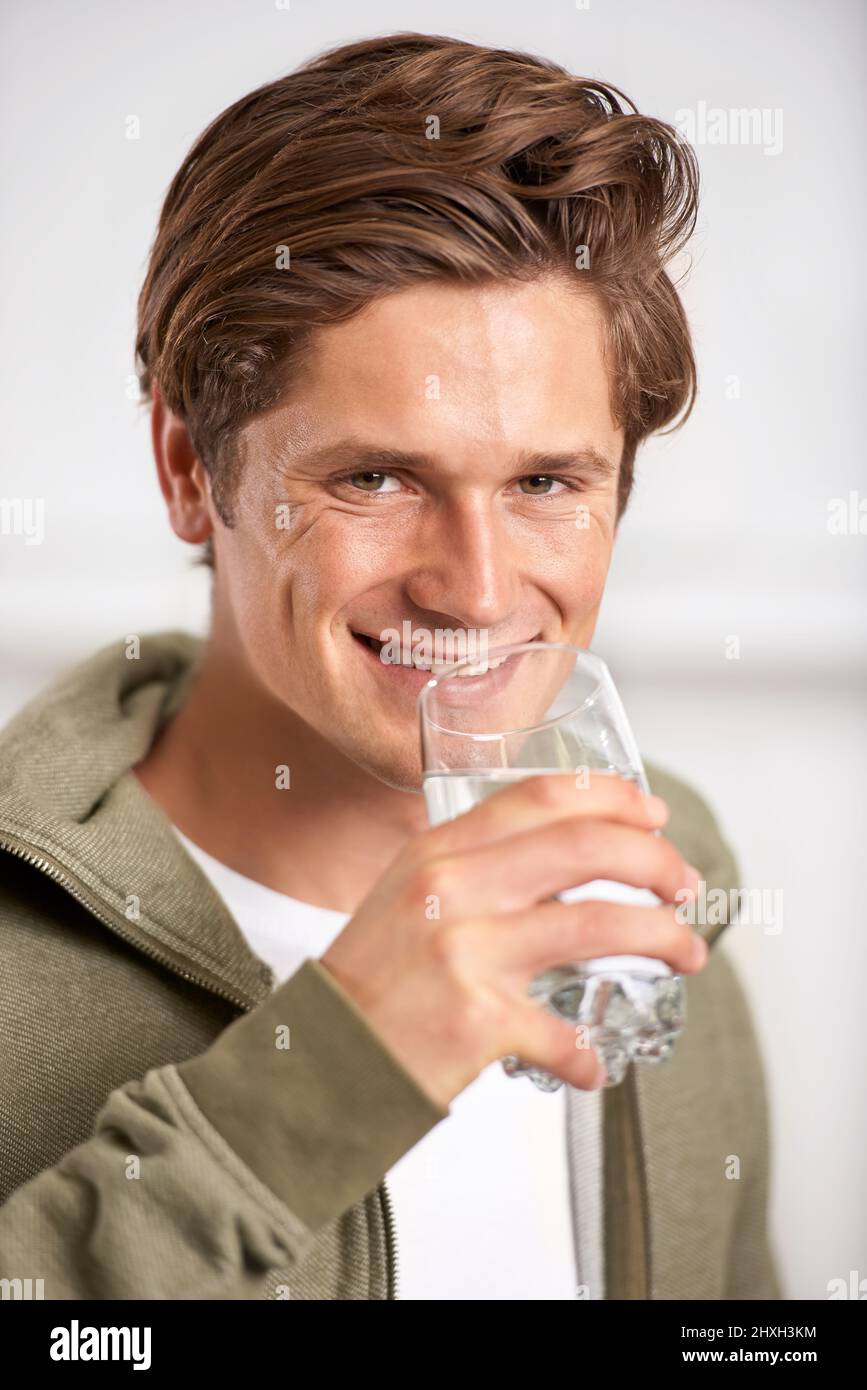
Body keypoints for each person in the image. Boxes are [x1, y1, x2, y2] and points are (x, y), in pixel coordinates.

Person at [0, 32, 781, 1300]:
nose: (475, 588)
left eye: (545, 482)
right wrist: (325, 1078)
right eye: (376, 477)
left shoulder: (657, 901)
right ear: (193, 473)